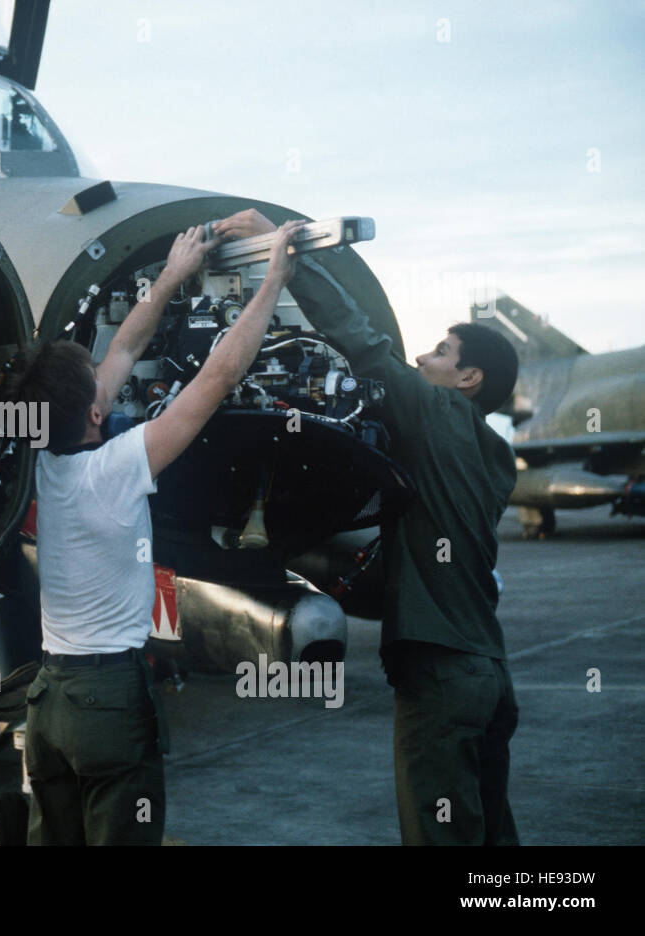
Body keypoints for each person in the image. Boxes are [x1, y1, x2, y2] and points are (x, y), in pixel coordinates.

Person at [214, 209, 522, 845]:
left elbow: (361, 343)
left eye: (440, 352)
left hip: (440, 677)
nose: (422, 357)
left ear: (468, 380)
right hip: (490, 675)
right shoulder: (494, 455)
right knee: (494, 843)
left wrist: (286, 250)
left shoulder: (439, 414)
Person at [3, 219, 303, 845]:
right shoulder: (117, 467)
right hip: (107, 701)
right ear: (94, 411)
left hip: (49, 698)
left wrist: (171, 274)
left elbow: (123, 352)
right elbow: (216, 380)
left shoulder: (45, 460)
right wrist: (273, 280)